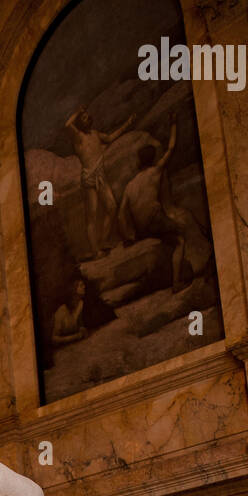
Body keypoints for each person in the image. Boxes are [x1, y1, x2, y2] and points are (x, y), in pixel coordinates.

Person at [118, 121, 197, 292]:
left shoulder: (130, 185)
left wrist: (128, 237)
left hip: (141, 229)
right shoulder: (155, 171)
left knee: (167, 238)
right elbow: (171, 148)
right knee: (180, 240)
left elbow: (121, 213)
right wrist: (174, 124)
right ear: (152, 159)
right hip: (155, 221)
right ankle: (176, 283)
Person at [66, 106, 135, 259]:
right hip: (89, 179)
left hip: (101, 177)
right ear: (79, 123)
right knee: (92, 215)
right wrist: (78, 111)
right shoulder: (78, 137)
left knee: (112, 206)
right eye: (83, 118)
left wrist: (127, 124)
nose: (87, 118)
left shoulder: (95, 134)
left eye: (87, 116)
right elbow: (67, 125)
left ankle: (103, 241)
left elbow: (110, 138)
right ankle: (96, 252)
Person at [52, 277, 89, 346]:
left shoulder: (81, 303)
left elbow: (79, 324)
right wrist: (75, 337)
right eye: (81, 285)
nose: (84, 287)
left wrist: (82, 329)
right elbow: (54, 339)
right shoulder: (62, 310)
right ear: (74, 288)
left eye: (83, 285)